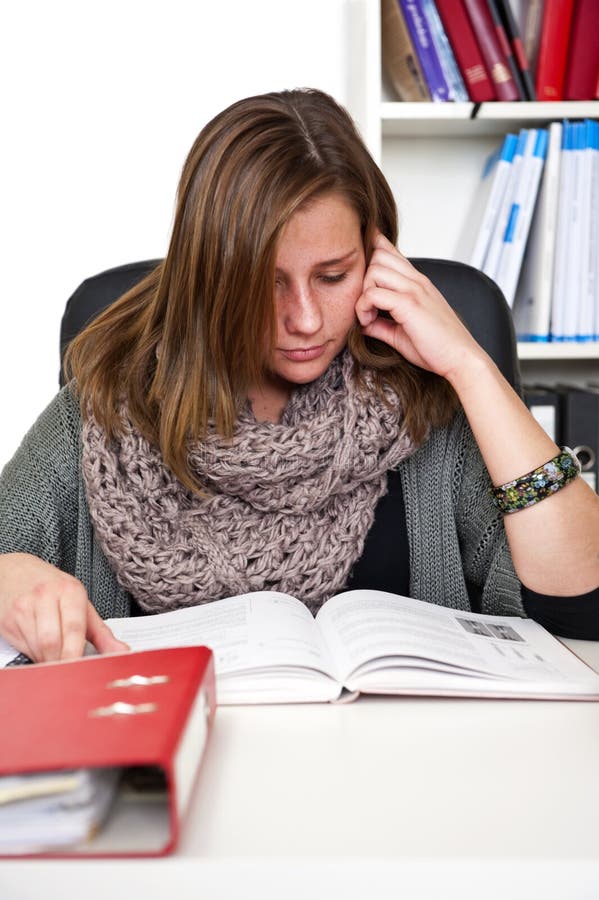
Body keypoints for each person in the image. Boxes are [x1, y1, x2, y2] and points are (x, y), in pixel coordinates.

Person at [1, 88, 598, 664]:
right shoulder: (105, 407)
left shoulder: (428, 406)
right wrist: (9, 577)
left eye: (333, 276)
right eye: (266, 283)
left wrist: (470, 366)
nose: (306, 319)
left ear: (377, 255)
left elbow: (582, 606)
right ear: (211, 276)